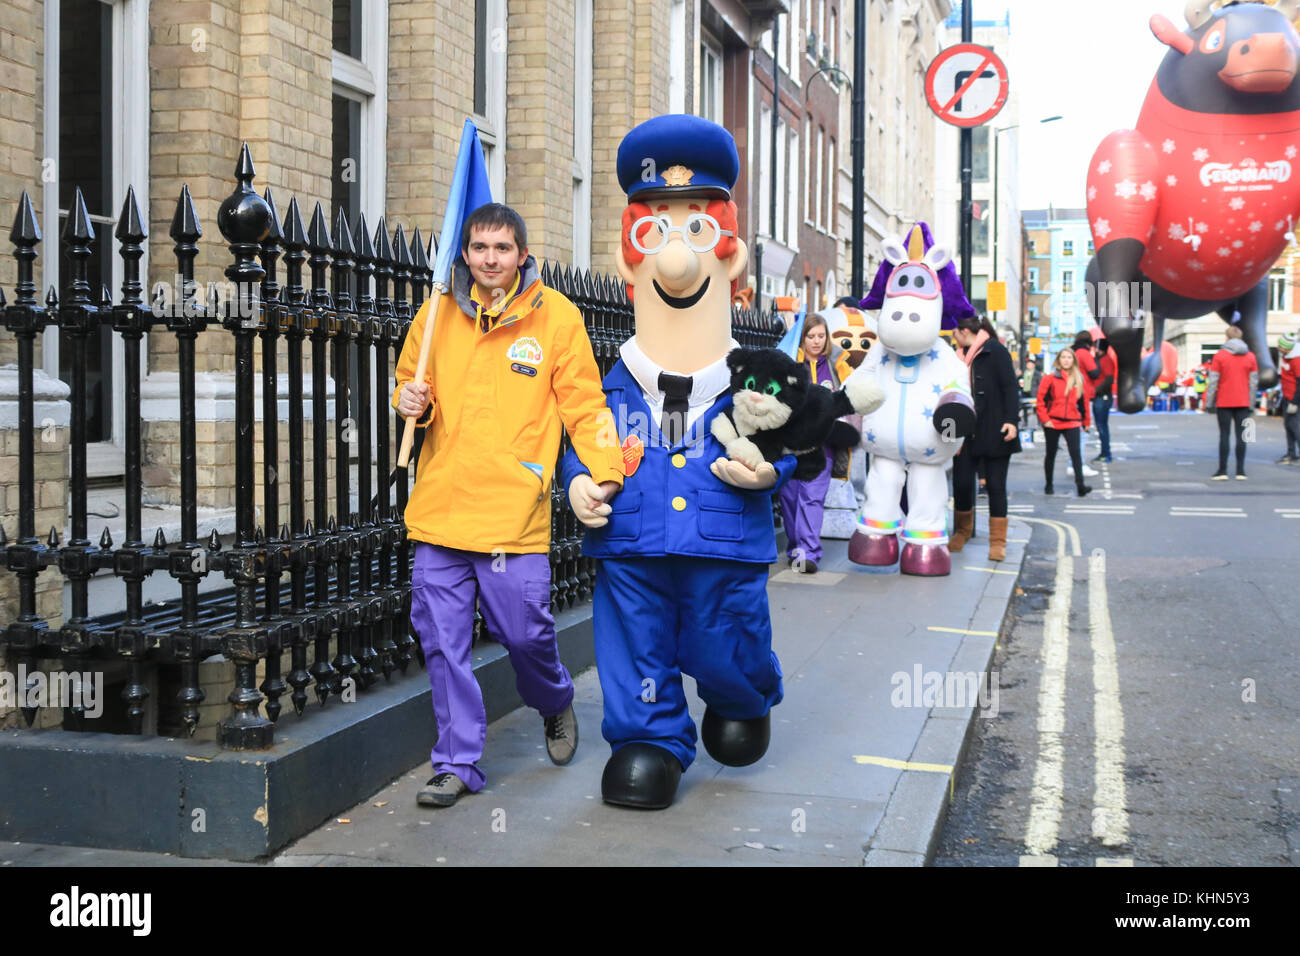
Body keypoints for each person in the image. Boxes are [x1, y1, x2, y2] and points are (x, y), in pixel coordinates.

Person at [562, 114, 796, 810]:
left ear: (729, 254)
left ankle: (740, 695)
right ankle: (648, 741)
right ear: (630, 255)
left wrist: (769, 471)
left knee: (726, 638)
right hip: (632, 538)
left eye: (694, 230)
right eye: (654, 231)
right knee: (634, 645)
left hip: (723, 537)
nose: (675, 258)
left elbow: (791, 437)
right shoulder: (611, 380)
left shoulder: (756, 377)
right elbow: (585, 435)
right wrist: (578, 483)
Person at [393, 202, 625, 808]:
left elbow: (585, 406)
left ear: (523, 254)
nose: (489, 259)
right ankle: (458, 763)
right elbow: (414, 390)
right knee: (443, 645)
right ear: (464, 254)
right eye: (478, 248)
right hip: (441, 510)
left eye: (502, 248)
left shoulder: (557, 318)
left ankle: (554, 701)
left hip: (512, 518)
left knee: (525, 636)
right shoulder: (437, 311)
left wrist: (606, 472)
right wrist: (411, 398)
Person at [776, 311, 854, 572]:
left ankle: (808, 553)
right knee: (789, 499)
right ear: (802, 338)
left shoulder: (837, 366)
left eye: (821, 336)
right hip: (790, 445)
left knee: (811, 498)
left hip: (823, 447)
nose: (817, 341)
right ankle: (795, 548)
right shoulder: (787, 365)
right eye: (811, 336)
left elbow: (850, 398)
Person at [950, 315, 1021, 561]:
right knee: (961, 483)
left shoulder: (996, 350)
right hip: (964, 432)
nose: (953, 338)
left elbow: (1011, 387)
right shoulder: (956, 356)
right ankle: (962, 531)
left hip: (995, 429)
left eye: (955, 333)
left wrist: (1012, 420)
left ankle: (998, 542)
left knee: (996, 486)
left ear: (964, 331)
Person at [1036, 347, 1093, 497]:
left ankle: (1080, 486)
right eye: (1063, 357)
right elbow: (1040, 401)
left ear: (1073, 360)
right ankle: (1048, 485)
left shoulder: (1078, 379)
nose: (1066, 360)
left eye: (1069, 357)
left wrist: (1086, 421)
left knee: (1076, 454)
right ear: (1058, 360)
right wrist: (1045, 420)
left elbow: (1084, 403)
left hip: (1073, 422)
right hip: (1053, 422)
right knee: (1051, 454)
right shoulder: (1049, 378)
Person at [1205, 324, 1259, 480]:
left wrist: (1209, 403)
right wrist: (1252, 403)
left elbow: (1213, 381)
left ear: (1227, 338)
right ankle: (1240, 471)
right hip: (1243, 401)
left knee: (1224, 435)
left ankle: (1222, 471)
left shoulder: (1220, 356)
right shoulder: (1251, 356)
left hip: (1224, 401)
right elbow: (1253, 383)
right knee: (1242, 437)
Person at [1072, 331, 1101, 475]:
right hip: (1084, 393)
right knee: (1083, 430)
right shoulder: (1084, 353)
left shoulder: (1072, 352)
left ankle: (1073, 464)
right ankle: (1079, 465)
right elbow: (1095, 372)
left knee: (1075, 432)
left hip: (1072, 393)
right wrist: (1095, 358)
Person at [1092, 338, 1116, 462]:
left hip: (1102, 396)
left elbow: (1109, 379)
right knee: (1100, 425)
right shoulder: (1099, 360)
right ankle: (1104, 452)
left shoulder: (1105, 360)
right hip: (1099, 396)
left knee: (1101, 426)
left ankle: (1106, 453)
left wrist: (1095, 390)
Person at [1279, 332, 1300, 464]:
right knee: (1288, 425)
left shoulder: (1297, 360)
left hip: (1295, 398)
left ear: (1287, 347)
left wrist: (1295, 402)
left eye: (1280, 346)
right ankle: (1291, 453)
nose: (1278, 348)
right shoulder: (1286, 357)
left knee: (1296, 426)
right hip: (1286, 396)